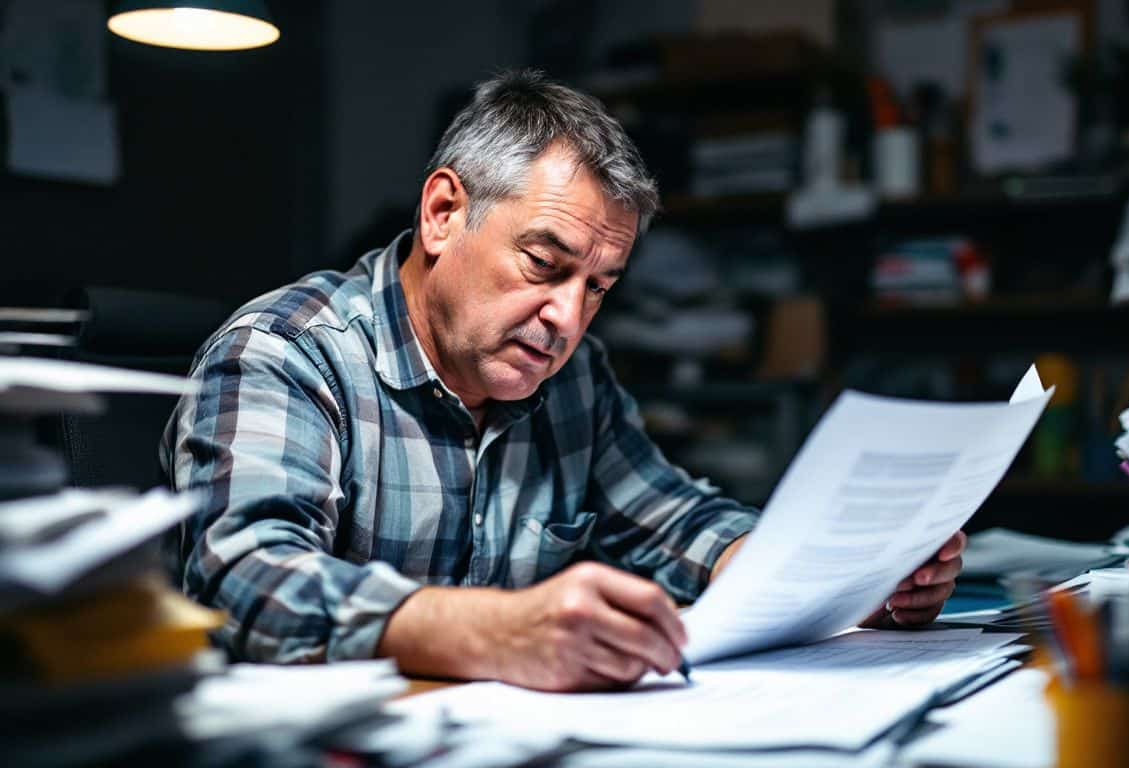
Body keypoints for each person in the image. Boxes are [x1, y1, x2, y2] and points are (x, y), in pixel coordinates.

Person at [162, 70, 965, 692]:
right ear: (444, 212)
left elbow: (674, 520)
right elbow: (243, 576)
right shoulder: (287, 355)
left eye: (598, 287)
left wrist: (847, 579)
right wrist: (495, 631)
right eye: (543, 264)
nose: (567, 319)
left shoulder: (571, 378)